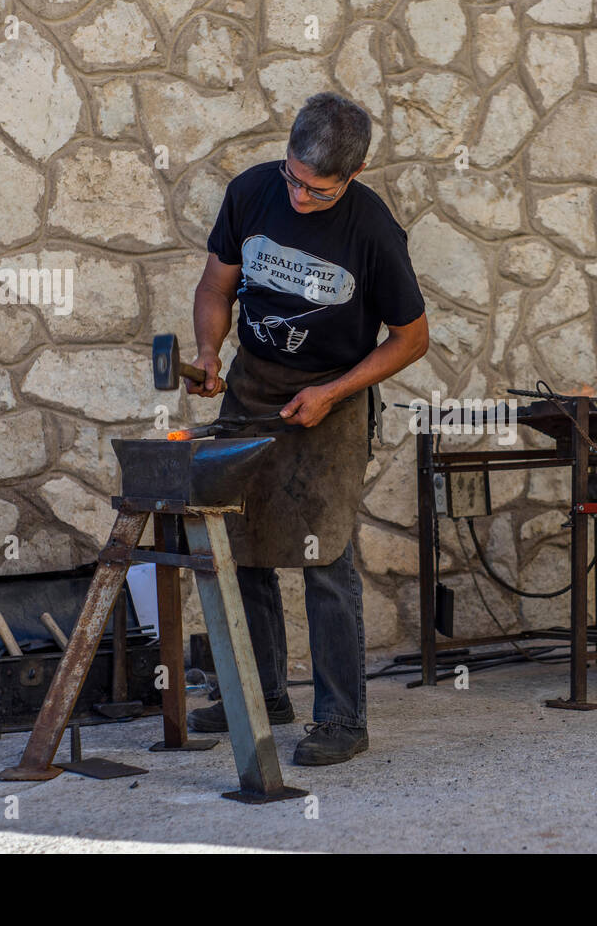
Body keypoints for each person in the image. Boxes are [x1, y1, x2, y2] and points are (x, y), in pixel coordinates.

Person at [183, 91, 428, 765]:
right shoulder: (252, 193)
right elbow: (215, 286)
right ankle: (262, 695)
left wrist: (333, 390)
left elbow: (411, 339)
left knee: (326, 558)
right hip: (253, 386)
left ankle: (343, 720)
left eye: (317, 191)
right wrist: (208, 352)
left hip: (334, 400)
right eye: (293, 177)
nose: (298, 197)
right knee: (245, 544)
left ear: (356, 172)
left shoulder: (373, 231)